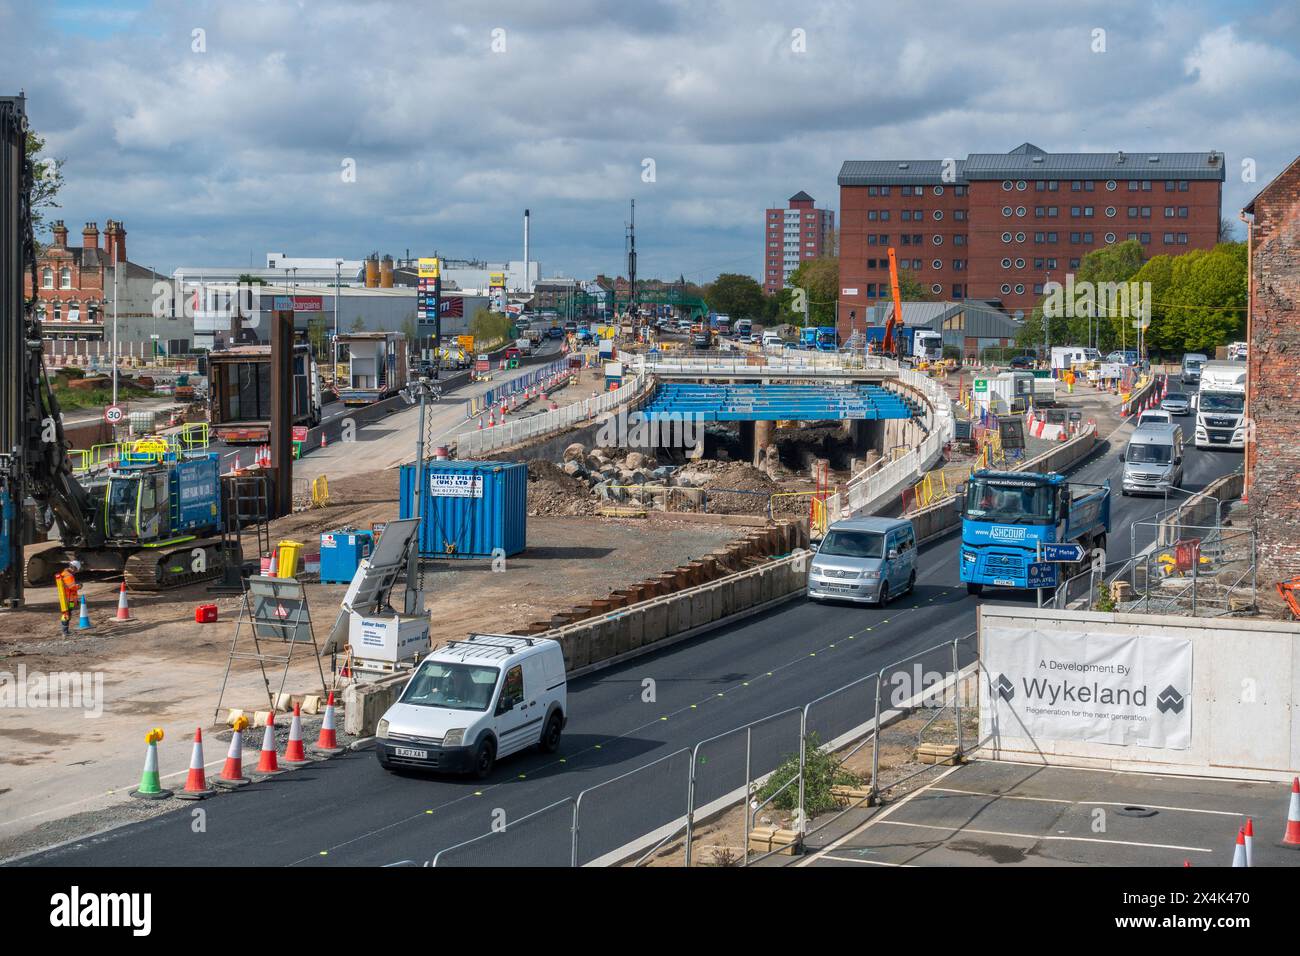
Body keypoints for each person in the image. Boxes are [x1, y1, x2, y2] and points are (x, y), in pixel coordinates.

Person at [55, 559, 81, 636]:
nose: (76, 572)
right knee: (66, 614)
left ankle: (66, 630)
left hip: (70, 599)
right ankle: (65, 631)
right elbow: (72, 587)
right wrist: (79, 586)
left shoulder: (65, 573)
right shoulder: (69, 576)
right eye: (76, 570)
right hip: (68, 599)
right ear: (74, 568)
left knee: (69, 613)